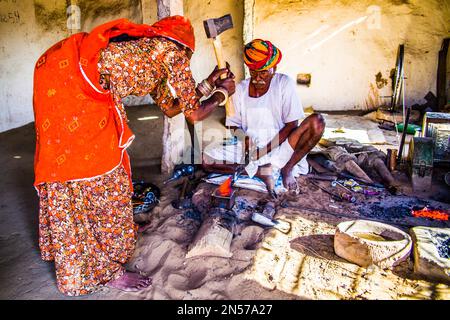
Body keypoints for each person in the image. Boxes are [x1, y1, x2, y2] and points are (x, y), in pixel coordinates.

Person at [33, 16, 235, 296]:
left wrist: (209, 84)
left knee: (68, 167)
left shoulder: (152, 50)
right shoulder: (173, 53)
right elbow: (194, 114)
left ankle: (82, 247)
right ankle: (108, 270)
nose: (187, 58)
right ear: (186, 46)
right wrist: (222, 95)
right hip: (78, 90)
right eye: (189, 53)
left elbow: (171, 107)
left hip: (58, 77)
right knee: (104, 176)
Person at [203, 39, 325, 194]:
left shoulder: (283, 83)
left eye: (263, 73)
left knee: (317, 122)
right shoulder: (240, 90)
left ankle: (287, 169)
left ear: (274, 67)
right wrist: (243, 137)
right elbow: (232, 124)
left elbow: (291, 126)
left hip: (281, 148)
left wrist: (264, 151)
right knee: (205, 161)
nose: (257, 78)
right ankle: (261, 172)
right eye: (253, 72)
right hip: (250, 151)